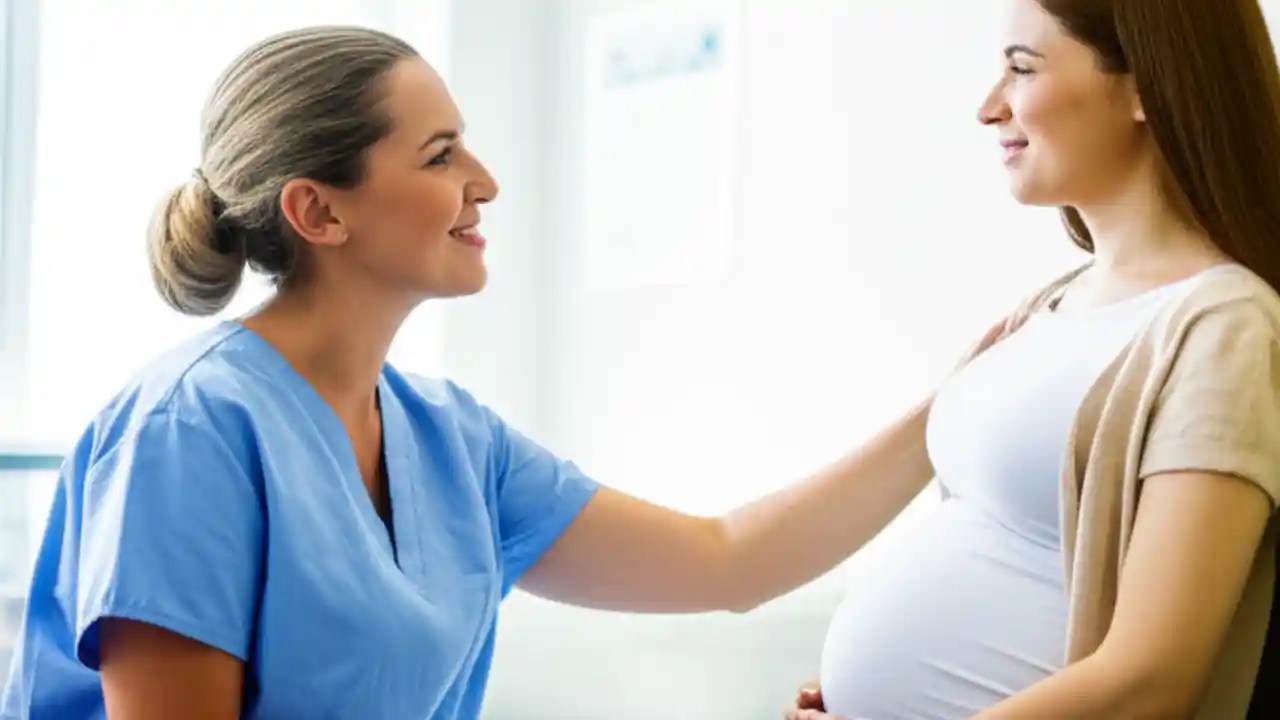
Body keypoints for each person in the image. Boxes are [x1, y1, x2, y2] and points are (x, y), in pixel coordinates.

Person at [0, 25, 1002, 720]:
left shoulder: (450, 442)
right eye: (440, 155)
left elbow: (725, 560)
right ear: (319, 212)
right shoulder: (189, 430)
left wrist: (954, 404)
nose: (485, 181)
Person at [787, 0, 1280, 718]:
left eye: (1021, 69)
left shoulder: (1224, 326)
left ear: (1145, 85)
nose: (990, 108)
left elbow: (1151, 679)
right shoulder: (1044, 312)